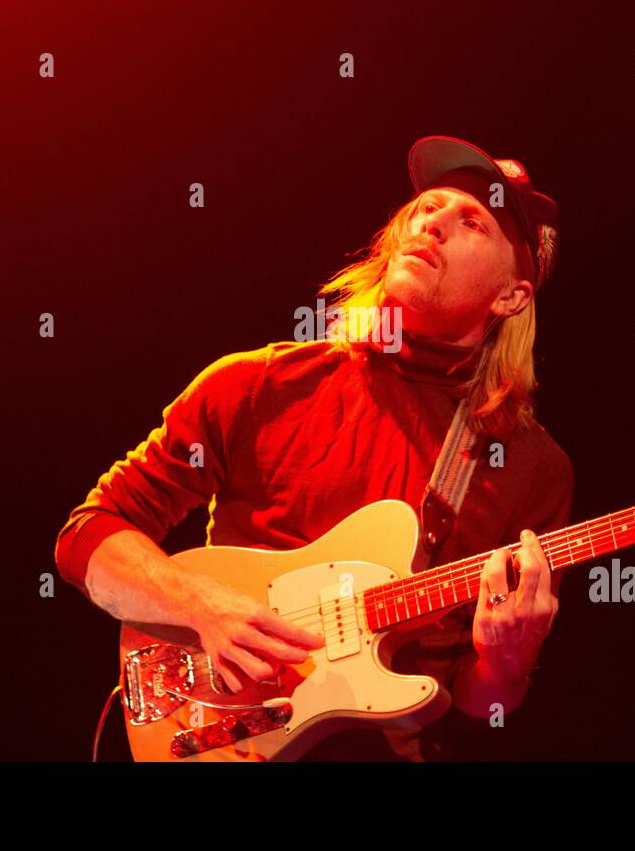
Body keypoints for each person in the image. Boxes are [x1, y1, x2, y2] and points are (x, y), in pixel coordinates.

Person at [54, 135, 575, 761]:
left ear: (511, 295)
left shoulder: (531, 469)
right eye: (429, 206)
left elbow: (479, 710)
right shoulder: (258, 384)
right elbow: (87, 538)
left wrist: (507, 663)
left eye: (473, 223)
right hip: (226, 730)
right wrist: (203, 606)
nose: (433, 223)